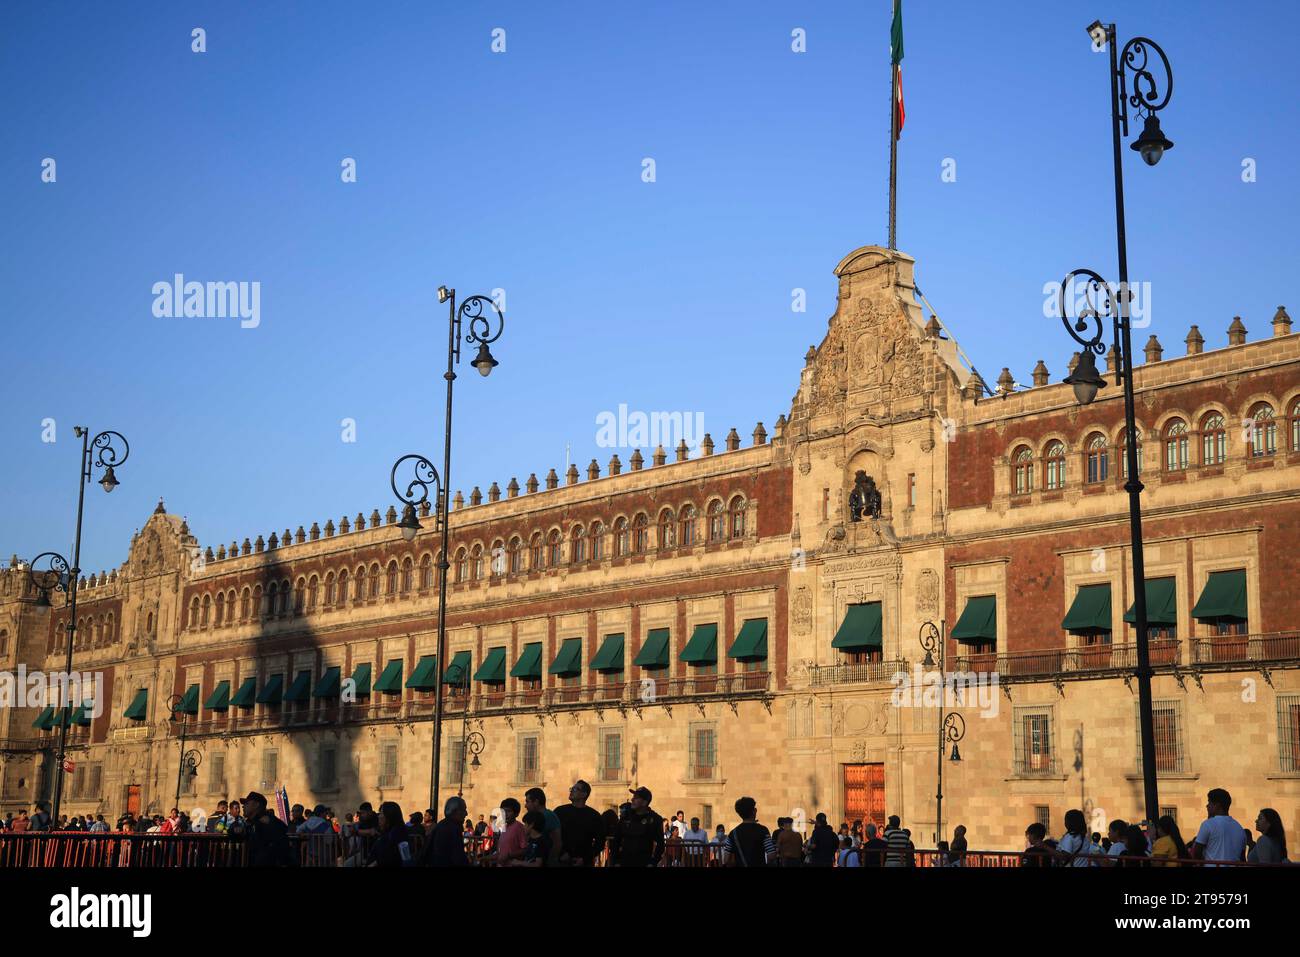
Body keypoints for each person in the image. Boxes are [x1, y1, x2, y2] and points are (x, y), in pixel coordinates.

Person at [1189, 788, 1247, 866]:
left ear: (1217, 805)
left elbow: (1197, 851)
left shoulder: (1208, 824)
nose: (1207, 806)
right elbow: (1242, 857)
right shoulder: (1239, 828)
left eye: (1209, 802)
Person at [554, 780, 605, 867]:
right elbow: (552, 835)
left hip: (584, 863)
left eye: (575, 789)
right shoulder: (560, 811)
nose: (571, 791)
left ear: (584, 794)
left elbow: (600, 843)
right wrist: (561, 853)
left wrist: (585, 859)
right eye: (572, 788)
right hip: (561, 861)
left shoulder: (594, 816)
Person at [611, 787, 664, 867]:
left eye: (636, 798)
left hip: (644, 862)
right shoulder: (626, 816)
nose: (632, 800)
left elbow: (660, 844)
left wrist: (653, 862)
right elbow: (616, 840)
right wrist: (616, 861)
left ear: (644, 802)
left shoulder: (654, 819)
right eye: (633, 797)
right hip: (624, 862)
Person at [241, 791, 295, 867]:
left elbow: (280, 844)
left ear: (256, 805)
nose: (243, 806)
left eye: (247, 803)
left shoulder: (269, 821)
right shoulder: (250, 822)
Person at [723, 796, 776, 867]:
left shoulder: (733, 833)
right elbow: (771, 855)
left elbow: (726, 859)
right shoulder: (763, 830)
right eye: (755, 808)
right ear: (753, 811)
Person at [423, 796, 470, 866]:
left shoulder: (443, 825)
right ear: (455, 811)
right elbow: (457, 858)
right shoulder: (451, 829)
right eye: (464, 810)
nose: (466, 814)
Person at [523, 787, 563, 866]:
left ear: (536, 802)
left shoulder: (549, 816)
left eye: (528, 802)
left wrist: (551, 860)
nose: (525, 805)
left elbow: (557, 842)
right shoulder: (534, 816)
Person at [368, 801, 414, 868]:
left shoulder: (395, 836)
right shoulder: (389, 833)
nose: (379, 816)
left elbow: (386, 859)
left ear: (389, 816)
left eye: (381, 813)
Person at [495, 798, 528, 866]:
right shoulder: (504, 828)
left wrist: (509, 855)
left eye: (508, 811)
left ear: (516, 813)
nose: (505, 814)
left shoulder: (519, 827)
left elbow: (525, 849)